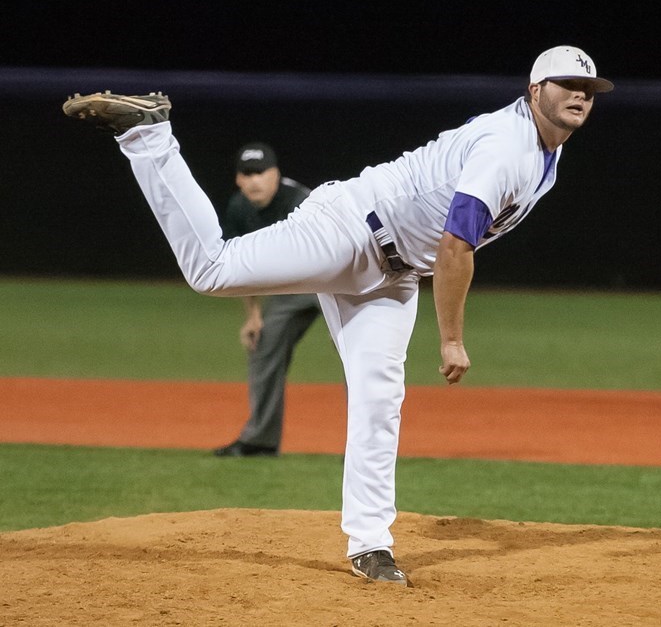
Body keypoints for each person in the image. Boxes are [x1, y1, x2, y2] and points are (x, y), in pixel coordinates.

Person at [62, 45, 614, 586]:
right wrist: (451, 339)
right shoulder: (507, 147)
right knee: (213, 269)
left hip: (392, 273)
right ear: (535, 90)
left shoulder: (547, 150)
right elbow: (454, 245)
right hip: (351, 228)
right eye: (569, 85)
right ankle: (148, 134)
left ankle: (370, 544)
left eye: (589, 90)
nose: (581, 96)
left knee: (380, 397)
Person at [213, 142, 322, 457]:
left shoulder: (301, 201)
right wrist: (253, 315)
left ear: (276, 174)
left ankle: (366, 446)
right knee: (263, 343)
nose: (254, 180)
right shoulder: (239, 207)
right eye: (247, 174)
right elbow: (238, 263)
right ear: (238, 180)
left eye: (261, 172)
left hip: (333, 283)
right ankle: (260, 440)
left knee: (354, 356)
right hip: (291, 288)